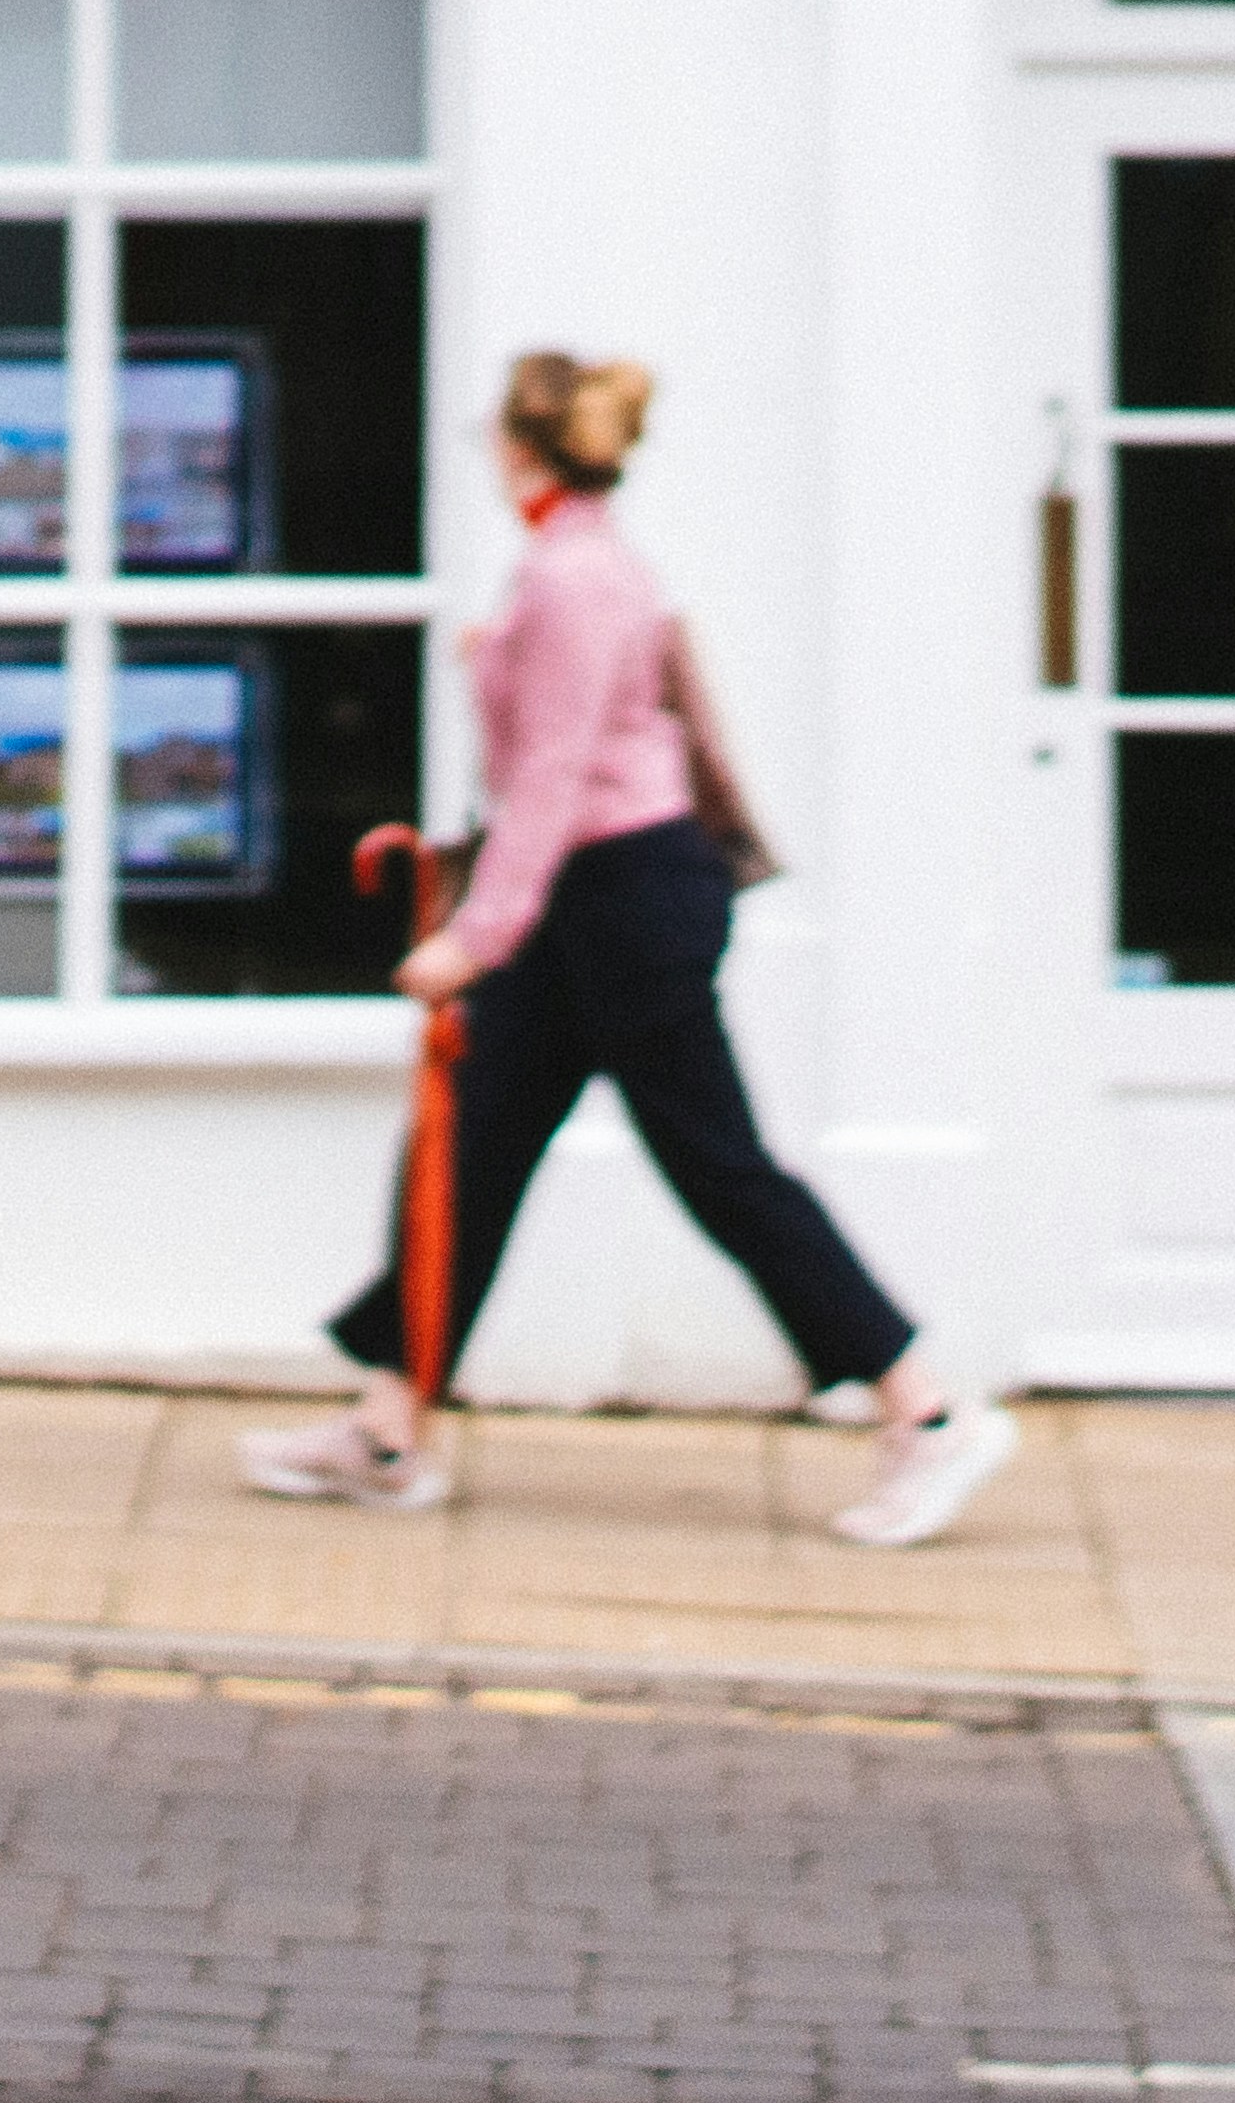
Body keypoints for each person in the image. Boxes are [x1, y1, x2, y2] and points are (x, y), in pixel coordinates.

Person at [241, 350, 1025, 1548]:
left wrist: (471, 934)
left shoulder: (570, 578)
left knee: (716, 1164)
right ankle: (390, 1427)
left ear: (517, 448)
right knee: (471, 1144)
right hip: (595, 896)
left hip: (616, 900)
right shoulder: (592, 564)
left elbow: (553, 775)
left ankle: (922, 1412)